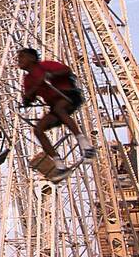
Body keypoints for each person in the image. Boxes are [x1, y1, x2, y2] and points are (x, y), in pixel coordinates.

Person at [18, 48, 94, 179]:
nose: (19, 61)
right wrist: (27, 99)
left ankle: (85, 146)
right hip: (55, 105)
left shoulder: (45, 66)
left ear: (31, 58)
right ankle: (59, 165)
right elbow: (30, 97)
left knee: (60, 110)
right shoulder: (28, 80)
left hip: (69, 95)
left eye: (22, 57)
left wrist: (50, 75)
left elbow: (67, 70)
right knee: (38, 129)